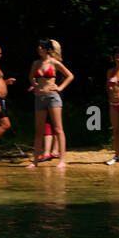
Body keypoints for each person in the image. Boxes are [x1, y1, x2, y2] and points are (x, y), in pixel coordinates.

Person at [28, 39, 74, 168]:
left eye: (41, 47)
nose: (39, 49)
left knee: (58, 129)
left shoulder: (54, 62)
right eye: (38, 47)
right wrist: (35, 85)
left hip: (53, 97)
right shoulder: (36, 63)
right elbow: (31, 77)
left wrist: (60, 88)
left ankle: (62, 160)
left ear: (47, 49)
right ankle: (35, 161)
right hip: (40, 98)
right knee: (38, 130)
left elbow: (70, 75)